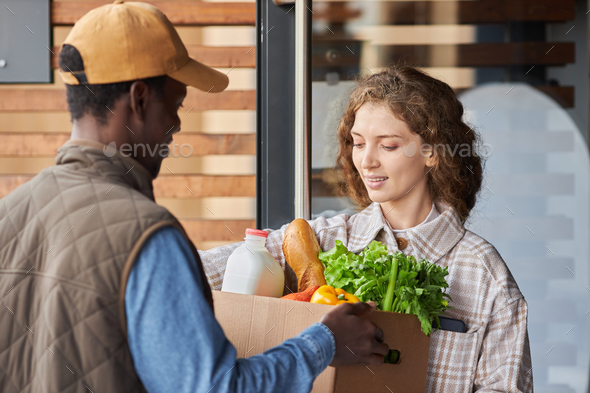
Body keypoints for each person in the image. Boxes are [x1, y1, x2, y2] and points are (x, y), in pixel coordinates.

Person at [0, 2, 389, 393]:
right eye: (175, 102)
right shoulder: (146, 236)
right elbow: (215, 388)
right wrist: (324, 342)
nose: (178, 122)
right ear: (139, 98)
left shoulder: (9, 213)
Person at [201, 65, 534, 392]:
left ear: (432, 152)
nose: (367, 161)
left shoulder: (483, 272)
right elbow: (193, 274)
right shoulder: (323, 241)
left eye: (387, 146)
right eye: (358, 143)